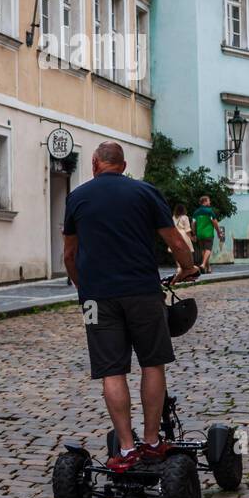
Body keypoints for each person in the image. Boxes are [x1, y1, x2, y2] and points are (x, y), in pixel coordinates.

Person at [63, 142, 198, 473]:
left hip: (97, 298)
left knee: (111, 370)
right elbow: (177, 242)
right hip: (142, 291)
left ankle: (125, 448)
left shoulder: (77, 198)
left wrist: (83, 285)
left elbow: (68, 254)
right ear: (123, 166)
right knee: (153, 363)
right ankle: (152, 443)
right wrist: (187, 268)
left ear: (95, 164)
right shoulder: (145, 193)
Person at [192, 195, 224, 273]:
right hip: (208, 234)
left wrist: (194, 233)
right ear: (205, 202)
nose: (210, 202)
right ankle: (203, 264)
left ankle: (208, 268)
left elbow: (193, 223)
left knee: (203, 251)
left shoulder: (196, 212)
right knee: (208, 249)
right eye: (209, 200)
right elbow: (215, 223)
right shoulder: (209, 211)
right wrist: (219, 232)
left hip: (199, 234)